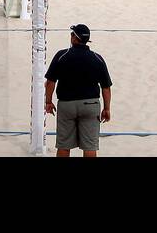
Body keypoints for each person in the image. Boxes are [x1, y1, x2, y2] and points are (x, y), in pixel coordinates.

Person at [43, 24, 113, 158]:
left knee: (64, 146)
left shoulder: (62, 55)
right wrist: (107, 108)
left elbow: (50, 81)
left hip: (66, 104)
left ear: (75, 38)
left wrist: (48, 101)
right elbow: (106, 87)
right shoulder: (97, 58)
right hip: (90, 105)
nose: (70, 37)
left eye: (71, 34)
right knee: (90, 147)